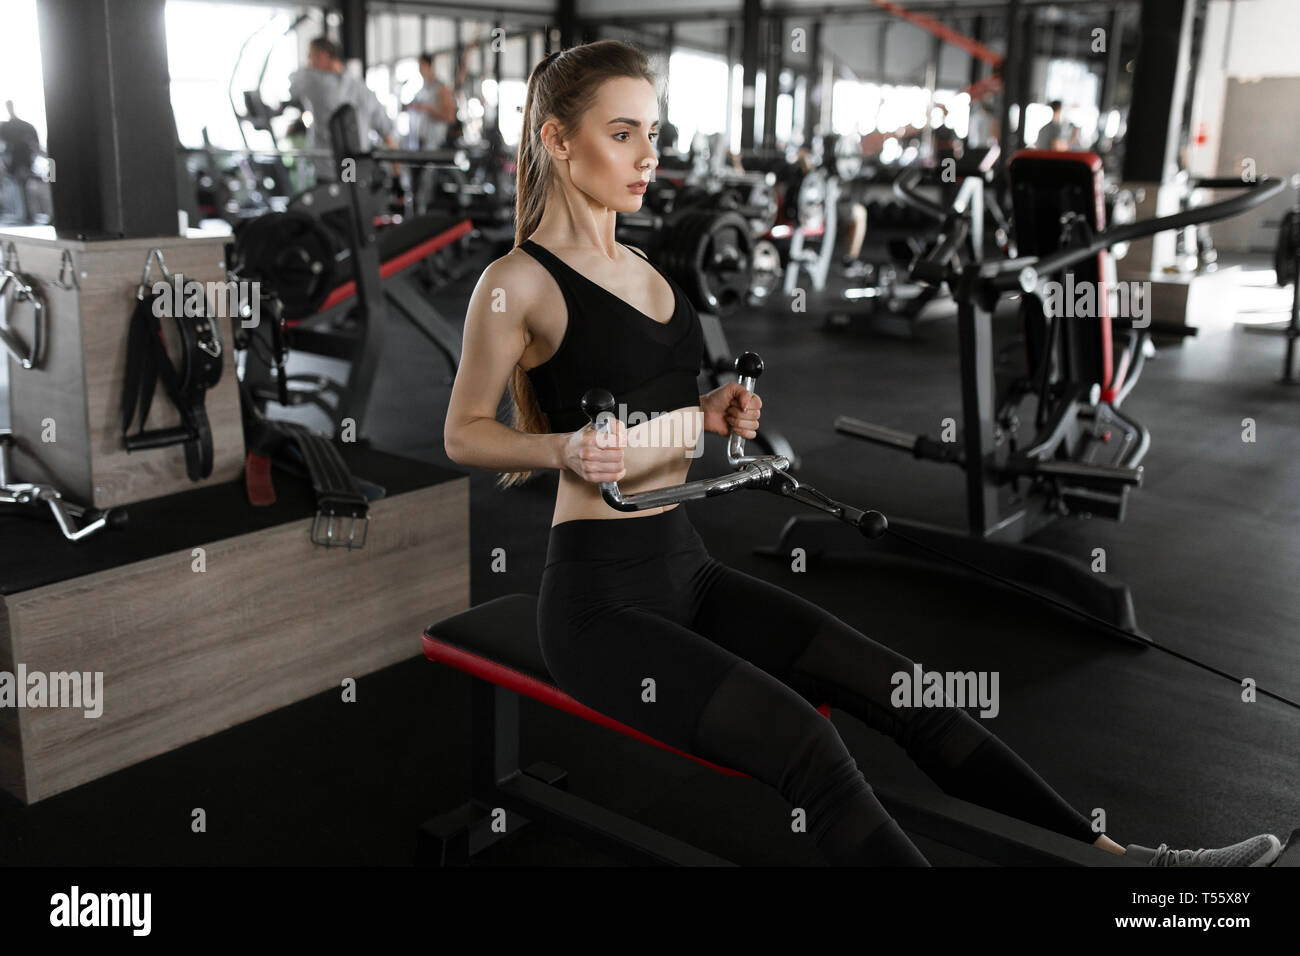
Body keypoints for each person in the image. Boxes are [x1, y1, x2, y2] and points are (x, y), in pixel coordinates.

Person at [441, 39, 1282, 868]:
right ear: (556, 138)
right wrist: (565, 448)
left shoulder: (647, 268)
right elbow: (464, 431)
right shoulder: (519, 281)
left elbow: (651, 417)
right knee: (809, 750)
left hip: (685, 568)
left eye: (653, 133)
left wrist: (709, 411)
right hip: (598, 605)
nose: (649, 155)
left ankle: (1127, 864)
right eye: (622, 132)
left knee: (909, 687)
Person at [0, 100, 41, 223]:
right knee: (18, 187)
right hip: (13, 164)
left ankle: (27, 215)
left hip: (24, 162)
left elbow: (35, 146)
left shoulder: (25, 126)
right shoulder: (5, 127)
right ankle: (25, 215)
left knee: (24, 186)